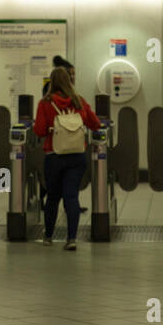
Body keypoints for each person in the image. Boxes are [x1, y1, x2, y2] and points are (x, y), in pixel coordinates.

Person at [32, 65, 100, 249]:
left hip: (54, 156)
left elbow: (39, 130)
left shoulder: (45, 103)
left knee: (53, 197)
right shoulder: (79, 101)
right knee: (71, 197)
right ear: (69, 81)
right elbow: (95, 124)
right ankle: (71, 239)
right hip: (77, 156)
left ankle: (48, 237)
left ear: (51, 83)